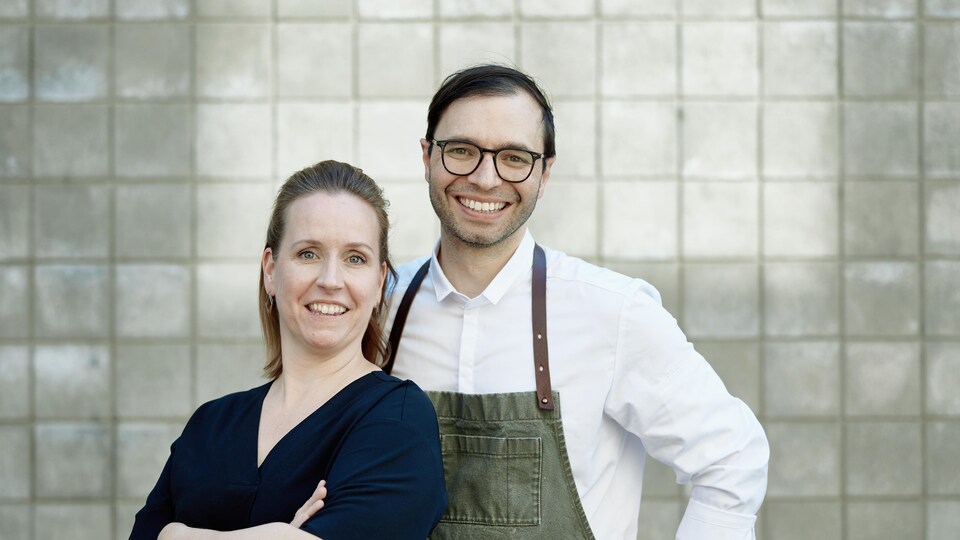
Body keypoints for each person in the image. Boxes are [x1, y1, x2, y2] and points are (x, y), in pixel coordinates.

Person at [381, 65, 769, 539]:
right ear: (427, 157)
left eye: (514, 158)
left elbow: (732, 457)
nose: (485, 178)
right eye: (461, 150)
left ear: (545, 173)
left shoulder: (614, 312)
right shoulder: (378, 307)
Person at [130, 160, 447, 539]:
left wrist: (177, 535)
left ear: (379, 283)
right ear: (270, 269)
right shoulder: (210, 425)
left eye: (355, 258)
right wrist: (279, 533)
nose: (331, 280)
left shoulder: (398, 419)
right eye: (308, 253)